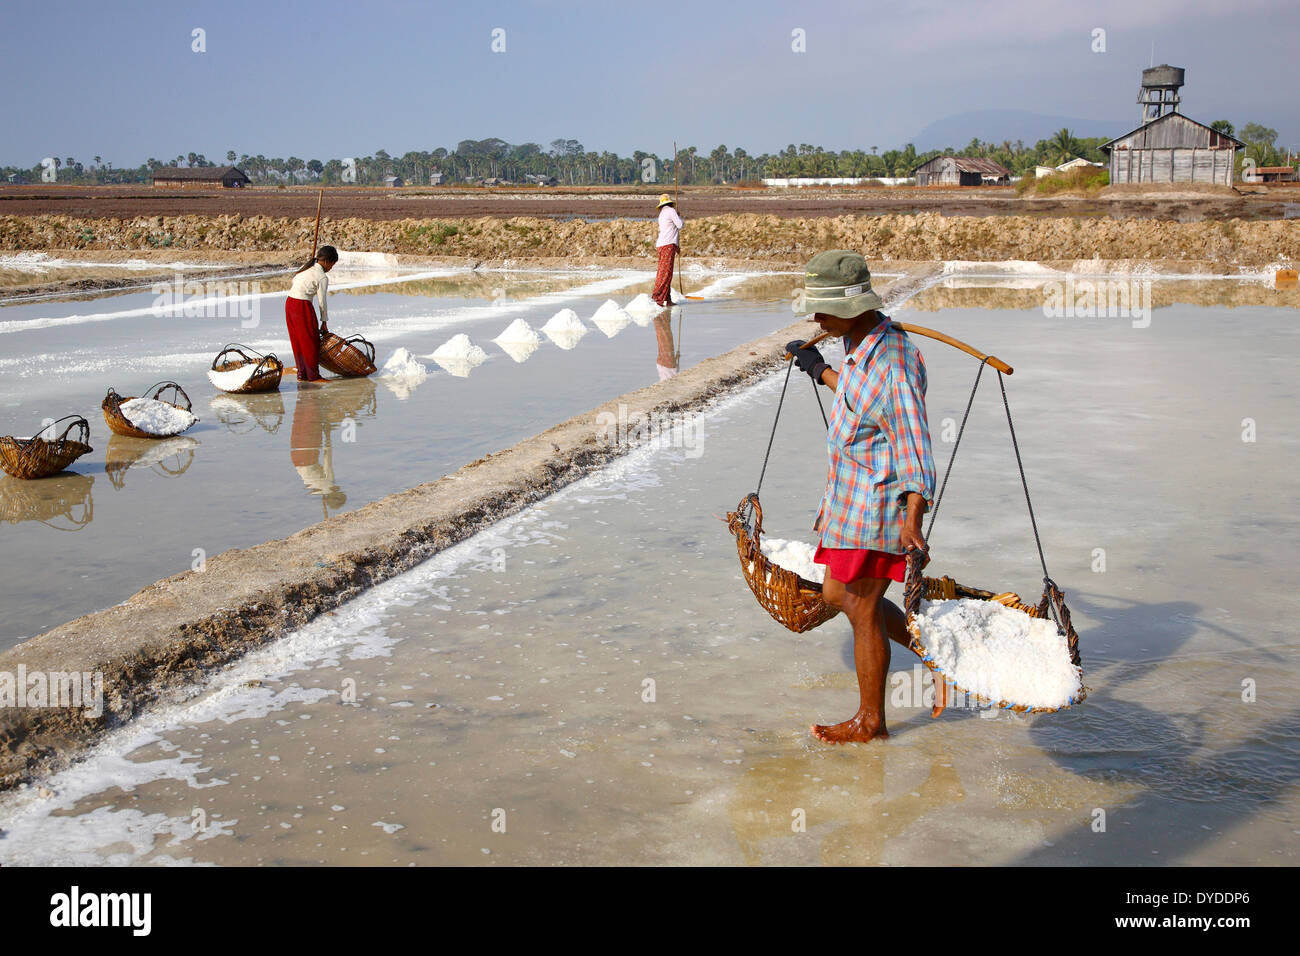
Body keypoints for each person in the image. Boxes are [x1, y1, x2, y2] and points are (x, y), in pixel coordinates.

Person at [786, 249, 942, 744]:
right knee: (839, 595)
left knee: (860, 606)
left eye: (823, 308)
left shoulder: (893, 363)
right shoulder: (860, 346)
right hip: (848, 500)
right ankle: (933, 650)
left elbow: (914, 445)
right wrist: (818, 370)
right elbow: (858, 398)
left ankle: (871, 721)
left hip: (878, 505)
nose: (815, 318)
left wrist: (912, 520)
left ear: (852, 308)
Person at [285, 244, 338, 383]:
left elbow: (295, 282)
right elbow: (322, 302)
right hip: (301, 305)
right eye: (331, 265)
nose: (330, 269)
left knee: (298, 340)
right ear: (326, 261)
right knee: (310, 340)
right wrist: (324, 322)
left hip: (290, 303)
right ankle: (313, 376)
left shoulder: (306, 268)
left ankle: (302, 374)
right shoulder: (321, 277)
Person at [651, 194, 682, 307]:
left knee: (665, 272)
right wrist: (678, 216)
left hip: (663, 245)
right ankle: (657, 298)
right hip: (667, 245)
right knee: (665, 273)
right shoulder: (671, 211)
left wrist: (677, 246)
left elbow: (673, 230)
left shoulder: (662, 213)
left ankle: (667, 299)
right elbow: (680, 225)